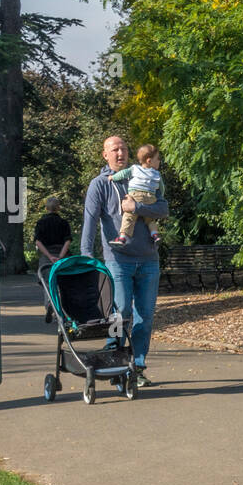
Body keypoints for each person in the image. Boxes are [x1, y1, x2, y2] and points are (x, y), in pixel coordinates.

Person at [82, 135, 169, 385]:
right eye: (114, 149)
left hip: (149, 260)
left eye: (123, 148)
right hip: (118, 260)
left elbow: (163, 209)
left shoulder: (145, 176)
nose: (120, 153)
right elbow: (89, 221)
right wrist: (87, 259)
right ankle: (115, 363)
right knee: (119, 314)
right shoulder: (100, 184)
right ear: (105, 155)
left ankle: (137, 367)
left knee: (145, 317)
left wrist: (137, 208)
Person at [109, 145, 163, 247]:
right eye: (158, 159)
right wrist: (159, 196)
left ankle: (122, 238)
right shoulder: (157, 174)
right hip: (151, 197)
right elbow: (161, 188)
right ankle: (155, 235)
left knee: (129, 216)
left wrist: (113, 177)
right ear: (149, 161)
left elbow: (123, 174)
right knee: (150, 219)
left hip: (136, 195)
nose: (159, 161)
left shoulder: (135, 168)